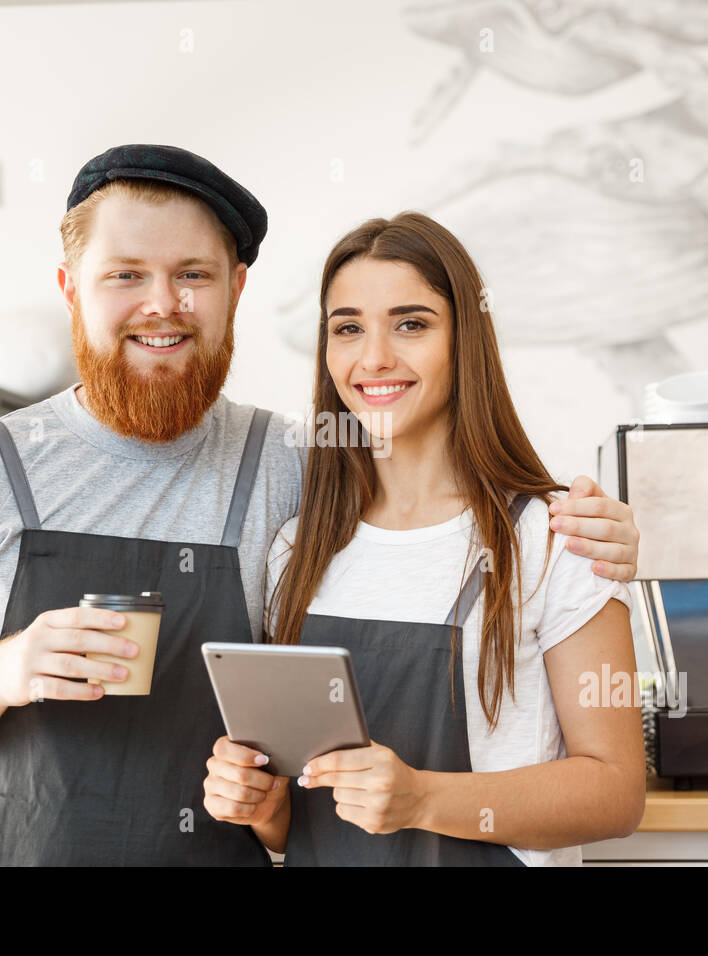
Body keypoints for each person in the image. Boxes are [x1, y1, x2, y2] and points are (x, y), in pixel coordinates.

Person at [0, 144, 641, 866]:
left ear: (235, 290)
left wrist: (609, 533)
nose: (162, 304)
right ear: (71, 289)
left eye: (192, 274)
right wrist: (0, 671)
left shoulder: (301, 472)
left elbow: (437, 500)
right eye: (125, 274)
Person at [203, 211, 645, 865]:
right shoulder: (297, 550)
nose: (374, 357)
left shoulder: (555, 536)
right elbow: (299, 814)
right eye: (348, 328)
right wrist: (264, 810)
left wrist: (421, 799)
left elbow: (614, 792)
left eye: (411, 323)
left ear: (464, 340)